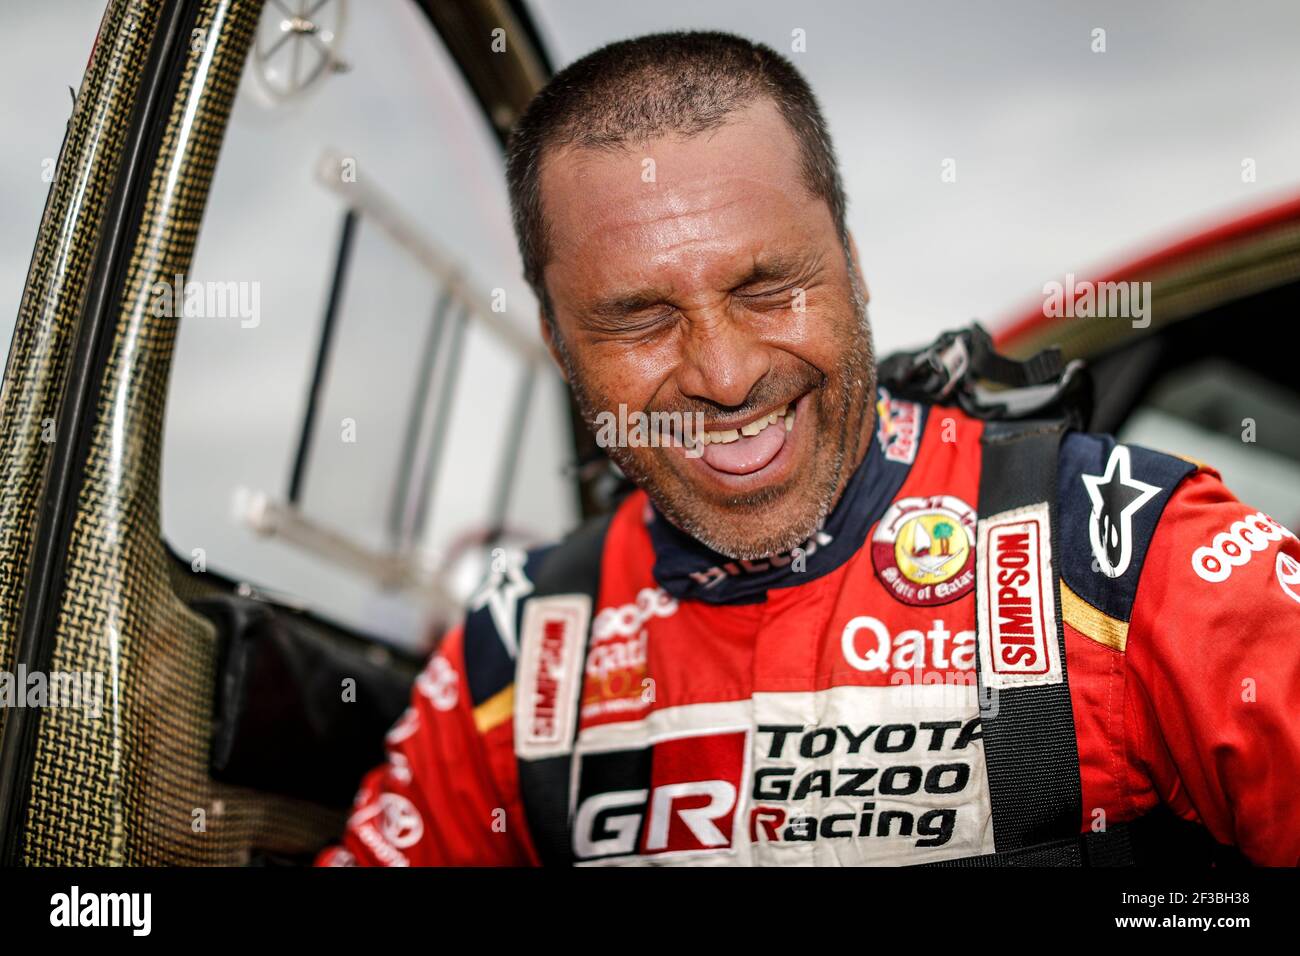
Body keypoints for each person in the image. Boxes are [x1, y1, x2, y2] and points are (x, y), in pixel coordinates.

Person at [317, 31, 1300, 867]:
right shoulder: (519, 650)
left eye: (766, 287)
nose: (728, 373)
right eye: (639, 317)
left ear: (854, 267)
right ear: (558, 344)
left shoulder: (1121, 552)